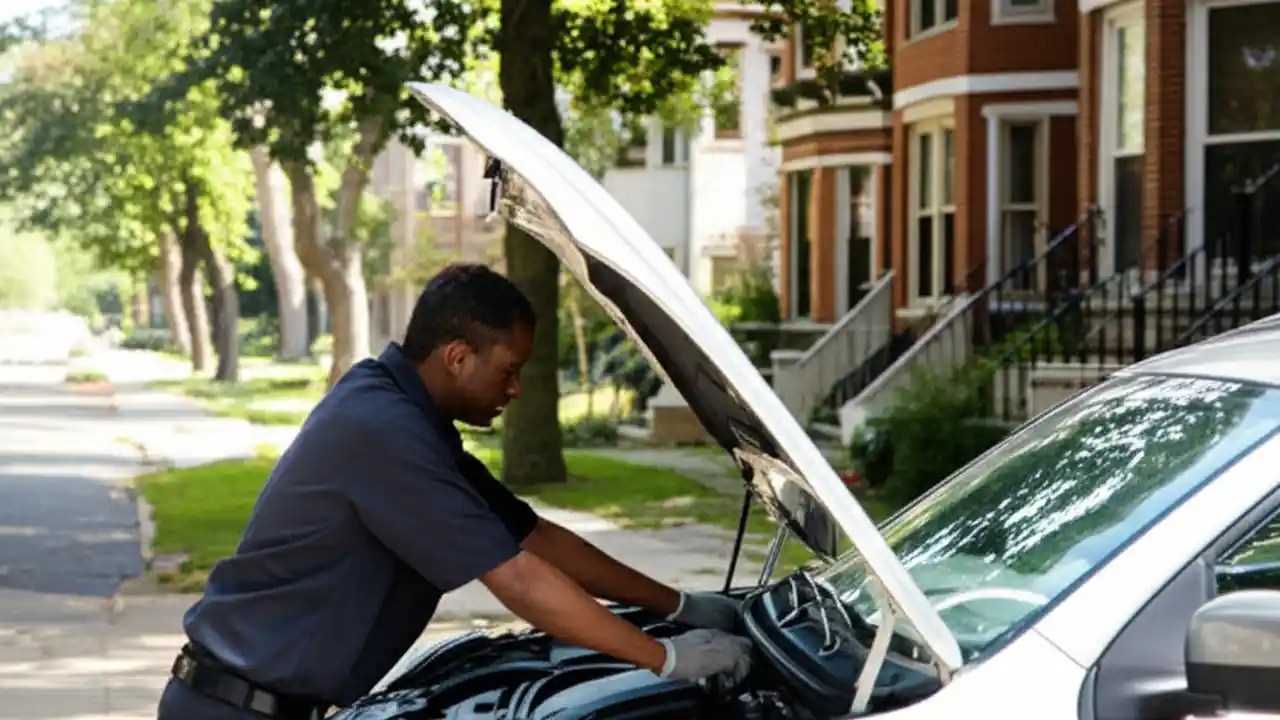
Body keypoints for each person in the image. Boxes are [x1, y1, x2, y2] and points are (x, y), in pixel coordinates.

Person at [156, 263, 753, 719]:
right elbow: (517, 578)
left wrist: (677, 606)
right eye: (509, 370)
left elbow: (536, 539)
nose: (517, 389)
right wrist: (666, 660)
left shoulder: (406, 416)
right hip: (233, 709)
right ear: (458, 356)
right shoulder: (384, 432)